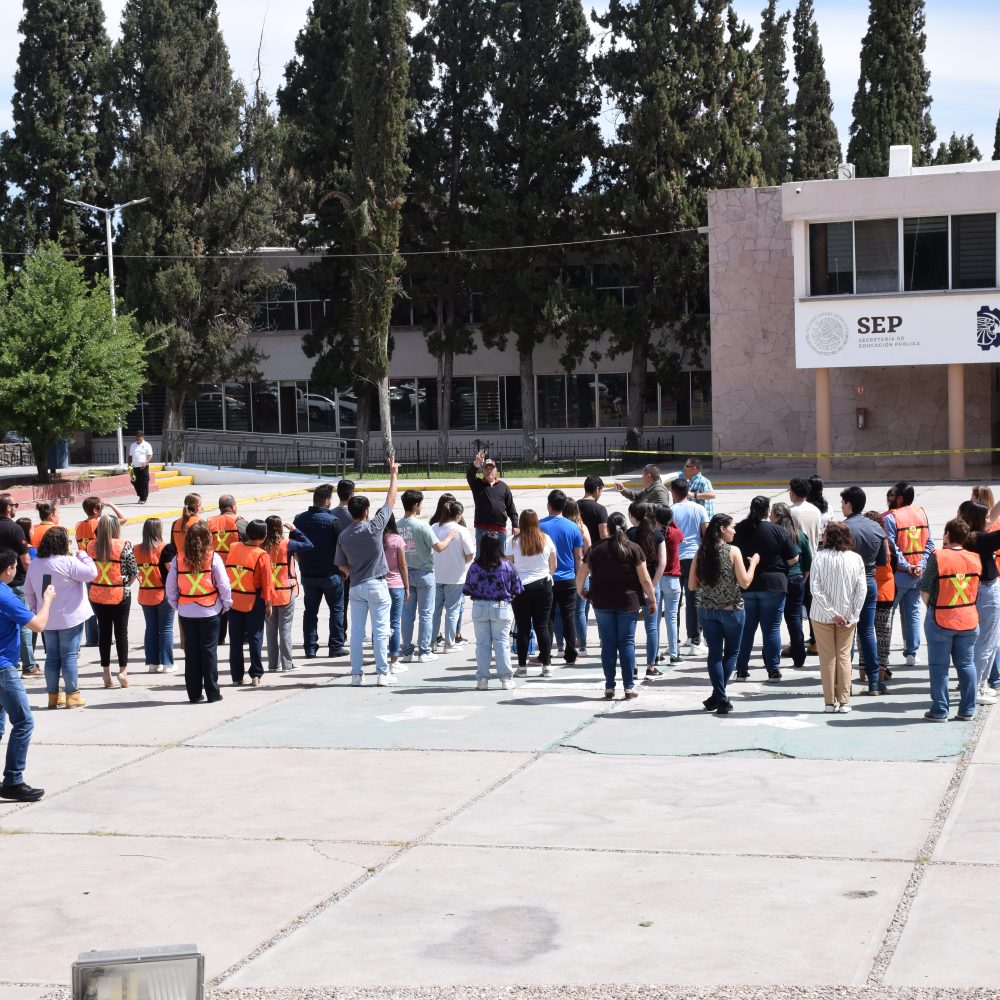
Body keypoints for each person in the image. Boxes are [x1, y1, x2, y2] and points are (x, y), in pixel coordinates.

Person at [578, 511, 657, 700]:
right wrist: (652, 599)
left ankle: (609, 686)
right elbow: (645, 579)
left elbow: (581, 574)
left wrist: (581, 591)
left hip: (602, 601)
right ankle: (629, 686)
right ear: (625, 527)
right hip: (628, 601)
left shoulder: (596, 549)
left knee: (608, 643)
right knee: (627, 642)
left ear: (608, 528)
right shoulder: (634, 548)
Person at [335, 462, 400, 686]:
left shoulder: (344, 536)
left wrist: (352, 571)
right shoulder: (374, 528)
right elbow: (390, 500)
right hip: (377, 584)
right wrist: (393, 475)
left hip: (356, 586)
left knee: (356, 633)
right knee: (380, 631)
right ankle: (382, 673)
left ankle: (356, 674)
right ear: (366, 512)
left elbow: (341, 566)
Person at [0, 548, 55, 801]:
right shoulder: (6, 596)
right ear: (9, 569)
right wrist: (47, 600)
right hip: (3, 669)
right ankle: (13, 780)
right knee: (23, 722)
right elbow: (38, 625)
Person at [690, 514, 759, 714]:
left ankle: (718, 696)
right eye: (732, 527)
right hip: (731, 610)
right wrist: (754, 563)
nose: (734, 531)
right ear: (722, 528)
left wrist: (709, 585)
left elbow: (692, 585)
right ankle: (720, 697)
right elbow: (745, 582)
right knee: (731, 653)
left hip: (707, 610)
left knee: (714, 654)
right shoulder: (733, 551)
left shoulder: (701, 552)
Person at [23, 527, 96, 709]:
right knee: (69, 656)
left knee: (52, 657)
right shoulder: (68, 562)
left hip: (47, 617)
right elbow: (92, 574)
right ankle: (72, 695)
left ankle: (53, 696)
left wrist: (37, 609)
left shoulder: (35, 564)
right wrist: (84, 556)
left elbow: (28, 591)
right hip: (69, 617)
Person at [918, 518, 980, 722]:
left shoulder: (938, 556)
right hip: (968, 618)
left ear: (947, 535)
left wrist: (932, 609)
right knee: (967, 664)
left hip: (941, 618)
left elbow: (925, 588)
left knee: (939, 667)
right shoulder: (975, 558)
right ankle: (967, 709)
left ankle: (940, 710)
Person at [733, 496, 798, 682]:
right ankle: (773, 670)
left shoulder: (740, 529)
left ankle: (741, 670)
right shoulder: (777, 530)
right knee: (772, 629)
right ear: (767, 511)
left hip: (747, 584)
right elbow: (793, 558)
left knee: (746, 629)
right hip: (774, 585)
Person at [166, 522, 232, 703]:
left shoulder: (178, 559)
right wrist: (226, 604)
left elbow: (170, 588)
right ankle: (213, 693)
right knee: (209, 652)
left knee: (191, 653)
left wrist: (178, 605)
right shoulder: (213, 558)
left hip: (186, 611)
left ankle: (194, 694)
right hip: (210, 610)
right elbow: (224, 585)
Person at [809, 522, 867, 714]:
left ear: (829, 537)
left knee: (827, 658)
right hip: (847, 616)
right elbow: (861, 590)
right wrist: (853, 614)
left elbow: (815, 588)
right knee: (844, 657)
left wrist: (831, 613)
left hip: (822, 615)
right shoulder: (856, 559)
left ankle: (829, 702)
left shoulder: (819, 557)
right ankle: (844, 701)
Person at [398, 489, 460, 664]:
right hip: (424, 573)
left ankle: (407, 651)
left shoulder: (397, 525)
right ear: (416, 505)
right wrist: (450, 537)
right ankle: (424, 651)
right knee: (425, 614)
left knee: (407, 615)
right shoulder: (422, 526)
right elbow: (439, 547)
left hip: (405, 574)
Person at [840, 486, 890, 695]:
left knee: (846, 632)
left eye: (843, 502)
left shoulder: (842, 528)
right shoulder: (876, 527)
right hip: (869, 581)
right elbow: (883, 560)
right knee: (867, 631)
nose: (841, 506)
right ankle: (875, 681)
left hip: (847, 583)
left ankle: (845, 683)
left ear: (849, 504)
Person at [293, 483, 347, 659]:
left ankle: (310, 648)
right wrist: (344, 569)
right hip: (331, 574)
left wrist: (301, 563)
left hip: (308, 574)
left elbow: (293, 547)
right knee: (336, 610)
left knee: (310, 612)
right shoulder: (333, 521)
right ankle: (336, 646)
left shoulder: (299, 520)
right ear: (326, 501)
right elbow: (342, 548)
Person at [464, 532, 524, 690]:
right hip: (501, 606)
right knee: (502, 643)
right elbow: (517, 588)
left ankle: (482, 679)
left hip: (480, 606)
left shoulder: (475, 567)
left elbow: (467, 589)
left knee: (482, 644)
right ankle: (505, 679)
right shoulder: (507, 566)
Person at [885, 482, 935, 666]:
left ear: (899, 499)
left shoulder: (892, 518)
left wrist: (907, 567)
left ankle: (884, 653)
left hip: (899, 575)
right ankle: (911, 653)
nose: (890, 498)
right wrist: (920, 565)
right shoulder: (922, 514)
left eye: (892, 495)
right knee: (913, 613)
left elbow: (892, 547)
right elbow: (929, 543)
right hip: (917, 574)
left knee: (887, 614)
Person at [956, 500, 1000, 706]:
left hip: (970, 590)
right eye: (987, 517)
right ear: (979, 519)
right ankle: (977, 686)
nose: (990, 520)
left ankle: (978, 683)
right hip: (986, 590)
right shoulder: (981, 539)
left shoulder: (964, 538)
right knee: (987, 641)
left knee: (982, 641)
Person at [87, 513, 137, 689]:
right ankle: (123, 671)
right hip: (119, 594)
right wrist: (125, 585)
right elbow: (133, 571)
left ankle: (106, 672)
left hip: (97, 593)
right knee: (121, 633)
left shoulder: (91, 546)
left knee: (104, 632)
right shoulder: (123, 545)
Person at [225, 519, 275, 688]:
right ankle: (256, 674)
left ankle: (236, 676)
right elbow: (267, 582)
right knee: (255, 637)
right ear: (263, 537)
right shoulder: (262, 555)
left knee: (235, 639)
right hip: (254, 600)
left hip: (234, 599)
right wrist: (268, 603)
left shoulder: (234, 547)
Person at [507, 510, 556, 677]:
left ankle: (522, 667)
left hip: (521, 586)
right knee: (542, 626)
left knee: (523, 628)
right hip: (543, 584)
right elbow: (554, 565)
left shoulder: (513, 541)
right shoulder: (546, 539)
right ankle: (547, 665)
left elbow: (509, 566)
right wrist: (547, 574)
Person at [74, 495, 127, 648]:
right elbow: (124, 519)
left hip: (84, 566)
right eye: (101, 507)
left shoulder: (79, 525)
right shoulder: (100, 523)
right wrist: (110, 504)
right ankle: (105, 636)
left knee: (90, 602)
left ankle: (92, 637)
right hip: (100, 567)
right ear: (95, 510)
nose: (103, 510)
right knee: (104, 603)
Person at [263, 515, 314, 673]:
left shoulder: (261, 545)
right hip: (285, 591)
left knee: (270, 630)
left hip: (268, 593)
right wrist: (295, 530)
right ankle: (287, 664)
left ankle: (273, 664)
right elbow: (309, 545)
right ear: (280, 528)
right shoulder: (287, 544)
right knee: (285, 629)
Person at [540, 489, 583, 666]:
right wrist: (579, 579)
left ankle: (546, 654)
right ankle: (571, 653)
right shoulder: (573, 527)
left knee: (547, 618)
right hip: (568, 578)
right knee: (569, 617)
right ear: (564, 506)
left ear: (548, 505)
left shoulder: (539, 526)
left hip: (547, 578)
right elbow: (578, 557)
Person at [770, 501, 812, 670]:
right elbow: (808, 561)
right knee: (794, 619)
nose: (769, 517)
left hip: (778, 580)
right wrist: (802, 578)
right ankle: (799, 656)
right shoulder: (799, 535)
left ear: (777, 517)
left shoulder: (773, 535)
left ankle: (771, 659)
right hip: (796, 579)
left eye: (771, 514)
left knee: (773, 621)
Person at [670, 478, 710, 655]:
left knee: (675, 602)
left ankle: (675, 641)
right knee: (694, 599)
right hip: (694, 557)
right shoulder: (699, 509)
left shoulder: (671, 511)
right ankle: (695, 639)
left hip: (675, 559)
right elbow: (706, 533)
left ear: (673, 493)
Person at [626, 502, 666, 677]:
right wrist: (653, 585)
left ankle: (632, 665)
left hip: (633, 586)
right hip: (651, 584)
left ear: (631, 516)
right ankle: (651, 666)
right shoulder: (657, 534)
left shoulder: (628, 534)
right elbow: (662, 563)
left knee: (630, 628)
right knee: (652, 628)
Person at [431, 501, 475, 651]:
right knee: (452, 610)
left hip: (437, 575)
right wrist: (461, 561)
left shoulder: (434, 527)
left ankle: (432, 641)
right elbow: (470, 554)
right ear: (458, 514)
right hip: (455, 577)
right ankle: (449, 643)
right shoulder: (461, 530)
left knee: (435, 611)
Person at [134, 519, 175, 674]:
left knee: (151, 628)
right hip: (163, 593)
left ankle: (152, 663)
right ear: (159, 530)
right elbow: (172, 571)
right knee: (166, 628)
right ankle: (167, 664)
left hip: (145, 593)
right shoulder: (166, 548)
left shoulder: (136, 549)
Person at [0, 494, 34, 676]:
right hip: (16, 582)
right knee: (24, 624)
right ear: (8, 508)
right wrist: (34, 580)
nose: (16, 508)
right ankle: (29, 665)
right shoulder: (15, 529)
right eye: (15, 505)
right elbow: (26, 560)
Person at [862, 510, 896, 686]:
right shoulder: (886, 542)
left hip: (866, 590)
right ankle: (882, 666)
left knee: (864, 630)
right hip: (886, 592)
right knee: (884, 633)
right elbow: (895, 564)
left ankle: (863, 665)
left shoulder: (862, 543)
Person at [466, 451, 518, 551]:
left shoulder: (503, 486)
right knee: (481, 557)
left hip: (500, 529)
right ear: (483, 471)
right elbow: (470, 476)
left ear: (496, 471)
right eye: (486, 468)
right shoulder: (477, 484)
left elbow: (510, 507)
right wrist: (476, 464)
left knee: (501, 557)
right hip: (482, 529)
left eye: (491, 468)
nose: (489, 471)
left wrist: (515, 525)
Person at [562, 498, 593, 655]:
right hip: (582, 572)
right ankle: (582, 645)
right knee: (580, 611)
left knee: (562, 611)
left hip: (565, 573)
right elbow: (589, 550)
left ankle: (563, 644)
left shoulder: (563, 526)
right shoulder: (582, 527)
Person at [655, 505, 684, 665]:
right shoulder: (675, 533)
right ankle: (674, 653)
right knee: (671, 618)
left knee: (655, 619)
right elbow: (682, 536)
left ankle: (655, 652)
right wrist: (671, 521)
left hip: (657, 578)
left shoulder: (654, 534)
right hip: (672, 579)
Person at [382, 515, 409, 669]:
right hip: (396, 584)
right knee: (395, 622)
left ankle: (380, 657)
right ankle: (394, 660)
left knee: (379, 623)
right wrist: (407, 586)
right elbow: (403, 565)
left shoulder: (376, 539)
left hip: (380, 584)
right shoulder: (397, 540)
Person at [578, 476, 610, 542]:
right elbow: (604, 536)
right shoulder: (600, 509)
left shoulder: (574, 506)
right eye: (601, 491)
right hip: (595, 547)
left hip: (578, 547)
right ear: (597, 490)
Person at [128, 429, 153, 504]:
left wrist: (145, 463)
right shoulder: (133, 445)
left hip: (143, 467)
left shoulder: (147, 445)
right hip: (134, 467)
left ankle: (143, 498)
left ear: (142, 436)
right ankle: (140, 495)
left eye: (139, 436)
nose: (137, 438)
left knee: (144, 482)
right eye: (136, 436)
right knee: (134, 481)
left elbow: (150, 455)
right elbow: (130, 456)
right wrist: (129, 465)